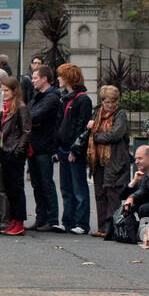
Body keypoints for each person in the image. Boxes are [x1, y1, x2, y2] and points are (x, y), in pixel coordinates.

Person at [87, 85, 130, 236]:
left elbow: (115, 134)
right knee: (100, 193)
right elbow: (89, 132)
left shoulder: (120, 115)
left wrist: (97, 136)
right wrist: (92, 132)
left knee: (112, 193)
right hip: (98, 159)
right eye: (107, 102)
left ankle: (112, 228)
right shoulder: (97, 113)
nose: (110, 105)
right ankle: (102, 227)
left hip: (115, 159)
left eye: (113, 102)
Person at [55, 64, 92, 234]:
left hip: (73, 149)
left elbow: (81, 127)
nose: (58, 79)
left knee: (78, 187)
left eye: (61, 76)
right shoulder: (65, 98)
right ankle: (68, 220)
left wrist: (75, 149)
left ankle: (82, 222)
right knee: (66, 188)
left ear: (69, 77)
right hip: (63, 147)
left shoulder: (82, 99)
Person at [27, 64, 62, 230]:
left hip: (45, 146)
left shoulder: (52, 98)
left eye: (35, 78)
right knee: (36, 184)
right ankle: (41, 218)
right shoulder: (38, 97)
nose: (33, 81)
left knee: (46, 183)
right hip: (34, 145)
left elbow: (35, 115)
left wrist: (31, 119)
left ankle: (52, 219)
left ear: (44, 79)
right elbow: (29, 115)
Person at [0, 76, 31, 235]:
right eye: (2, 90)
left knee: (16, 189)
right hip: (4, 150)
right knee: (10, 189)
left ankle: (19, 222)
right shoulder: (4, 106)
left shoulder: (21, 107)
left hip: (14, 152)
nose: (3, 93)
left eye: (6, 90)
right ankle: (13, 221)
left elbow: (26, 131)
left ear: (14, 91)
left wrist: (18, 151)